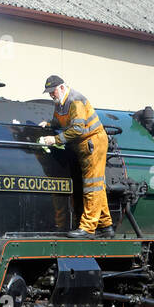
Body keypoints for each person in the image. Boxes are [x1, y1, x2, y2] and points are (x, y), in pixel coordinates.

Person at [38, 76, 113, 238]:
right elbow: (60, 122)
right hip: (83, 145)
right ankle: (106, 226)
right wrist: (49, 125)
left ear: (62, 87)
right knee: (97, 185)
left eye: (53, 91)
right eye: (49, 92)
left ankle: (88, 228)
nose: (51, 95)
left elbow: (78, 129)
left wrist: (55, 140)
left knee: (92, 185)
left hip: (93, 142)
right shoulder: (60, 103)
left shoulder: (75, 101)